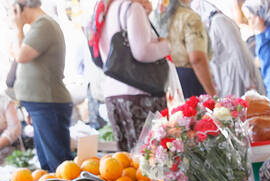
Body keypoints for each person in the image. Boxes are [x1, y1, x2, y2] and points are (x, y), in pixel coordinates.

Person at [92, 0, 171, 153]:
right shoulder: (131, 7)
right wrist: (166, 46)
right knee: (152, 159)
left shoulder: (103, 9)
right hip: (139, 93)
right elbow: (142, 52)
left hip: (113, 94)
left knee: (129, 161)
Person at [11, 0, 72, 175]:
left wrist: (18, 28)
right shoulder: (40, 25)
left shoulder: (44, 24)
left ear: (22, 6)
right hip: (41, 102)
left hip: (48, 102)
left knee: (58, 165)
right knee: (48, 164)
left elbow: (21, 55)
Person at [194, 0, 265, 97]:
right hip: (228, 83)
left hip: (240, 81)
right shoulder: (209, 28)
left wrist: (249, 81)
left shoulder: (219, 21)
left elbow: (238, 51)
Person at [154, 0, 215, 99]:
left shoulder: (155, 15)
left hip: (167, 78)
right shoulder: (189, 17)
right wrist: (212, 93)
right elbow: (197, 59)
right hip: (190, 78)